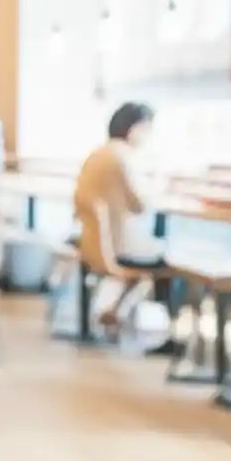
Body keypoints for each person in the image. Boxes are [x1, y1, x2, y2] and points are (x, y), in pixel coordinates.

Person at [73, 102, 161, 333]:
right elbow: (140, 205)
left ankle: (114, 312)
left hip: (92, 241)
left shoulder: (96, 155)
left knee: (148, 263)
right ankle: (165, 338)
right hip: (116, 244)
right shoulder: (123, 158)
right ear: (135, 129)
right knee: (165, 263)